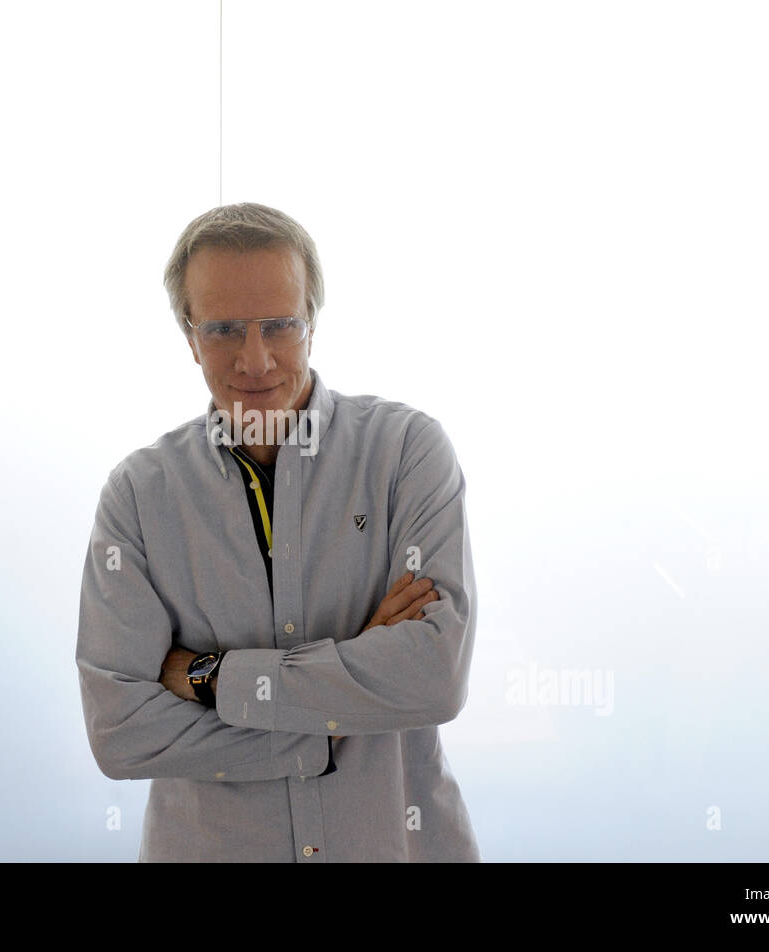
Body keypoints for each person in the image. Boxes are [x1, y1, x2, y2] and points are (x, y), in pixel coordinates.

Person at [75, 202, 480, 862]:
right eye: (225, 329)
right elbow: (121, 732)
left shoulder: (407, 452)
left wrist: (207, 678)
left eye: (279, 326)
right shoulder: (140, 498)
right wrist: (327, 729)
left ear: (313, 324)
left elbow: (433, 677)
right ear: (189, 335)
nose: (255, 359)